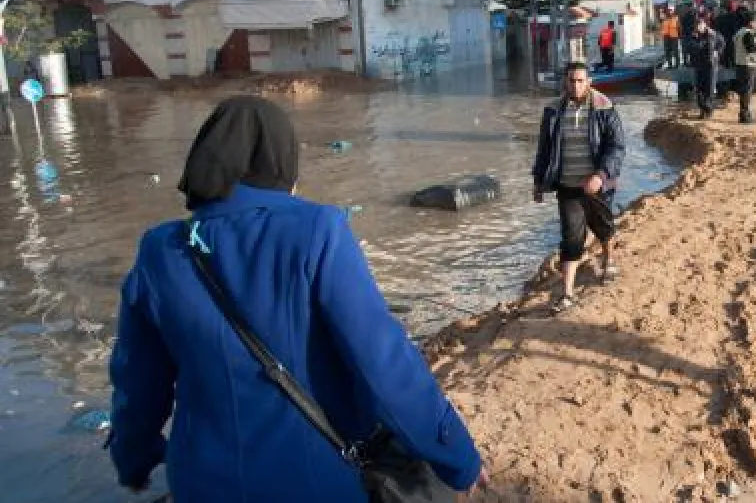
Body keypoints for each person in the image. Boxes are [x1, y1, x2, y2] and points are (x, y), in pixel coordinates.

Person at [107, 96, 488, 502]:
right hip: (311, 477)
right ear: (280, 160)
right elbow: (382, 359)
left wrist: (133, 460)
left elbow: (138, 380)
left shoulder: (161, 248)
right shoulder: (317, 229)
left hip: (201, 481)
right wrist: (456, 457)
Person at [532, 62, 626, 310]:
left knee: (604, 227)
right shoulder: (553, 111)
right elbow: (544, 150)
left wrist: (601, 174)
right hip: (567, 185)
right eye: (571, 81)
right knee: (572, 238)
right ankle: (567, 294)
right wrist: (538, 181)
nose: (576, 85)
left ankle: (609, 260)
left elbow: (616, 147)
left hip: (598, 184)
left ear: (589, 82)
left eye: (580, 80)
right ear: (565, 82)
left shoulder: (605, 108)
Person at [684, 16, 726, 119]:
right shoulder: (693, 36)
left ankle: (708, 110)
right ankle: (703, 109)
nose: (699, 27)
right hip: (698, 65)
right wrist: (698, 43)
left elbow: (722, 42)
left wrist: (717, 52)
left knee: (710, 88)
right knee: (699, 89)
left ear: (705, 24)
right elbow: (690, 47)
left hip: (711, 65)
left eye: (701, 24)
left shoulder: (713, 34)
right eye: (697, 25)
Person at [732, 13, 756, 124]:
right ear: (751, 22)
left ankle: (743, 114)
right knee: (747, 91)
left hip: (740, 64)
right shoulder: (748, 34)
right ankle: (745, 116)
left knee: (743, 91)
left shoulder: (740, 32)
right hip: (747, 66)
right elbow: (751, 49)